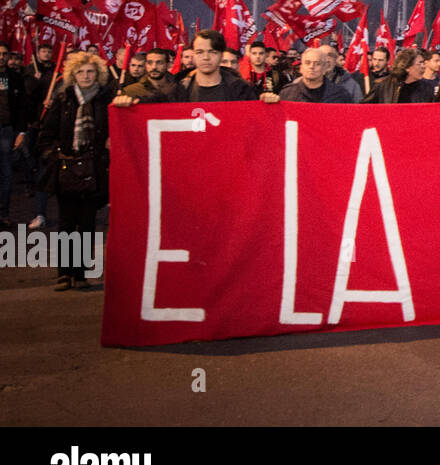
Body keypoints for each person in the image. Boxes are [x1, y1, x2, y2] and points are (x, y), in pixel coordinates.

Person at [39, 52, 109, 290]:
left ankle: (80, 273)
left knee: (87, 224)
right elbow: (46, 134)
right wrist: (53, 157)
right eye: (81, 72)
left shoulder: (104, 100)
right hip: (66, 168)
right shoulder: (63, 99)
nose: (86, 76)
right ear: (73, 74)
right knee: (67, 223)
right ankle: (64, 273)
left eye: (90, 71)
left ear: (97, 73)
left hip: (93, 169)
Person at [113, 30, 263, 104]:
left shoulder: (240, 90)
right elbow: (154, 105)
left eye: (212, 51)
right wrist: (129, 102)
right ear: (193, 55)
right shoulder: (178, 89)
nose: (205, 57)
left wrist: (269, 102)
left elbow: (256, 119)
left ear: (220, 55)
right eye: (200, 52)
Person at [0, 49, 29, 229]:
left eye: (4, 54)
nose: (1, 57)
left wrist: (21, 132)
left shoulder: (15, 77)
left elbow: (21, 107)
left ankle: (3, 213)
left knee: (6, 174)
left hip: (6, 131)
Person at [273, 47, 354, 103]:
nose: (312, 67)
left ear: (324, 68)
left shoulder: (340, 94)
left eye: (317, 63)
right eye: (307, 63)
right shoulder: (288, 93)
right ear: (301, 68)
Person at [364, 48, 439, 103]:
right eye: (420, 63)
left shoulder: (427, 88)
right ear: (407, 67)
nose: (423, 66)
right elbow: (365, 109)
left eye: (423, 63)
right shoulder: (383, 85)